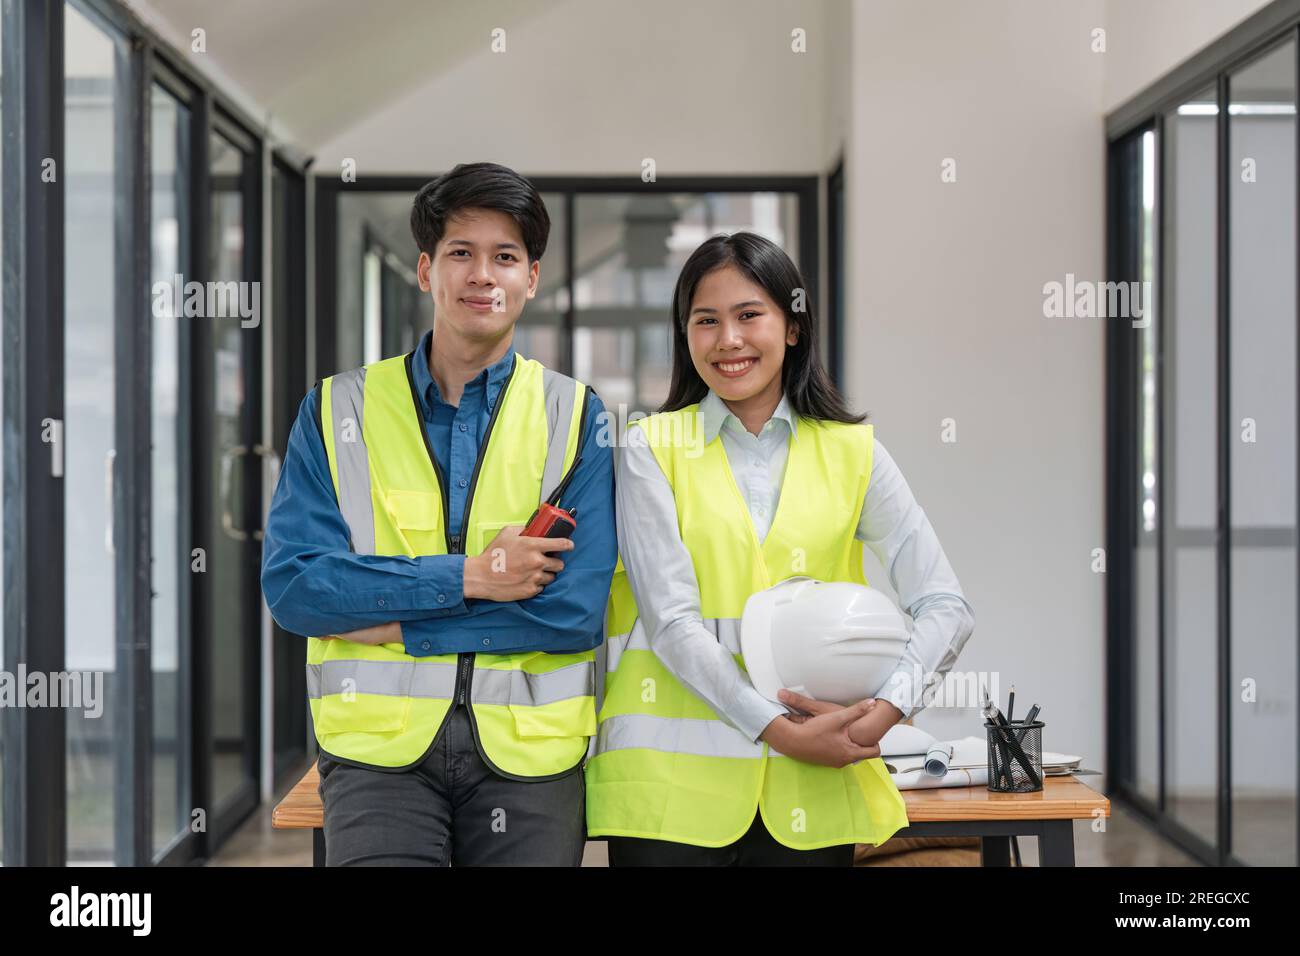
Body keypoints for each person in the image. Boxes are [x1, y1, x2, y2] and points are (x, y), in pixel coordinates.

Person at [261, 162, 616, 866]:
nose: (482, 275)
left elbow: (572, 610)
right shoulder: (337, 411)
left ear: (531, 278)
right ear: (426, 271)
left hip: (529, 758)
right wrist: (475, 576)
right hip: (376, 758)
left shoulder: (575, 419)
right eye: (461, 253)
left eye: (505, 257)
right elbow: (299, 589)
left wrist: (394, 624)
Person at [586, 231, 975, 866]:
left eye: (749, 316)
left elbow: (945, 604)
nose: (728, 340)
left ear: (792, 327)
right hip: (669, 797)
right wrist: (775, 730)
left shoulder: (855, 453)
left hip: (812, 791)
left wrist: (888, 708)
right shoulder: (649, 447)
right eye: (705, 321)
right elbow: (672, 621)